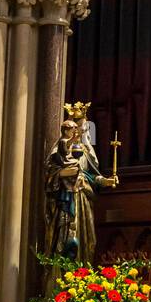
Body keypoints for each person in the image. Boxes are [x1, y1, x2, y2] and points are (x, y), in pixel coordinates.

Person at [44, 113, 117, 267]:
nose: (83, 132)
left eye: (85, 129)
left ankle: (82, 273)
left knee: (88, 240)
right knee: (66, 238)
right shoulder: (62, 149)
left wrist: (106, 181)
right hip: (67, 198)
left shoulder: (85, 152)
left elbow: (91, 176)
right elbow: (51, 174)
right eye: (79, 128)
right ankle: (63, 275)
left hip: (83, 200)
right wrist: (65, 173)